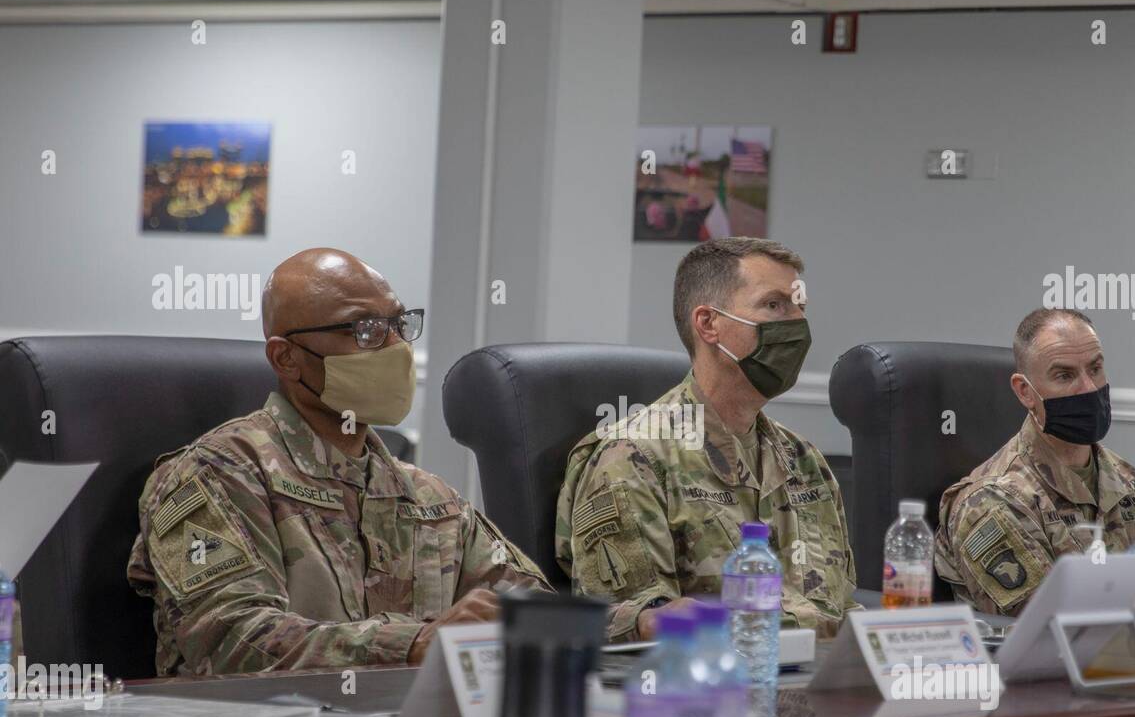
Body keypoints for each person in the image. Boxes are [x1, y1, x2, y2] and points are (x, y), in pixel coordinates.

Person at [128, 248, 549, 675]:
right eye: (365, 329)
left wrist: (593, 625)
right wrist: (415, 643)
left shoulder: (429, 498)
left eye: (399, 324)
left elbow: (537, 612)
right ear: (286, 358)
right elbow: (232, 643)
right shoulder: (219, 475)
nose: (396, 346)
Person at [556, 236, 857, 642]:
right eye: (774, 305)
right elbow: (634, 628)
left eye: (799, 305)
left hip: (821, 689)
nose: (796, 323)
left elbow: (842, 608)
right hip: (705, 693)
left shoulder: (803, 460)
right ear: (709, 324)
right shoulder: (634, 457)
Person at [935, 307, 1135, 616]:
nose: (1089, 388)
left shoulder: (1133, 484)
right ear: (1025, 392)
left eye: (1095, 369)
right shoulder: (991, 502)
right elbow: (1047, 633)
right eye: (1065, 375)